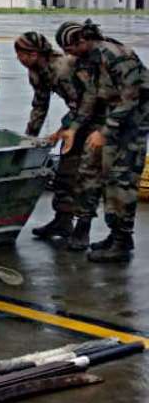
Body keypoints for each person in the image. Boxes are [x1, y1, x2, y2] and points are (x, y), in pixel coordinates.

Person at [51, 21, 149, 263]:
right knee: (104, 175)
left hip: (134, 122)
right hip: (117, 120)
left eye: (69, 49)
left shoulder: (115, 56)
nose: (67, 54)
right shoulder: (90, 59)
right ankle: (116, 235)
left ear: (82, 41)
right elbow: (91, 96)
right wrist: (73, 129)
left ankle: (121, 242)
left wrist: (105, 132)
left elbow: (131, 98)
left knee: (121, 180)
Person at [15, 31, 96, 250]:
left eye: (23, 54)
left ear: (35, 53)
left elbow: (85, 103)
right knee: (65, 171)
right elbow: (40, 106)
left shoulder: (63, 68)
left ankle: (83, 228)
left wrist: (64, 128)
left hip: (96, 118)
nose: (20, 59)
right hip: (77, 119)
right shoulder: (36, 72)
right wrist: (28, 139)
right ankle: (63, 221)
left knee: (86, 175)